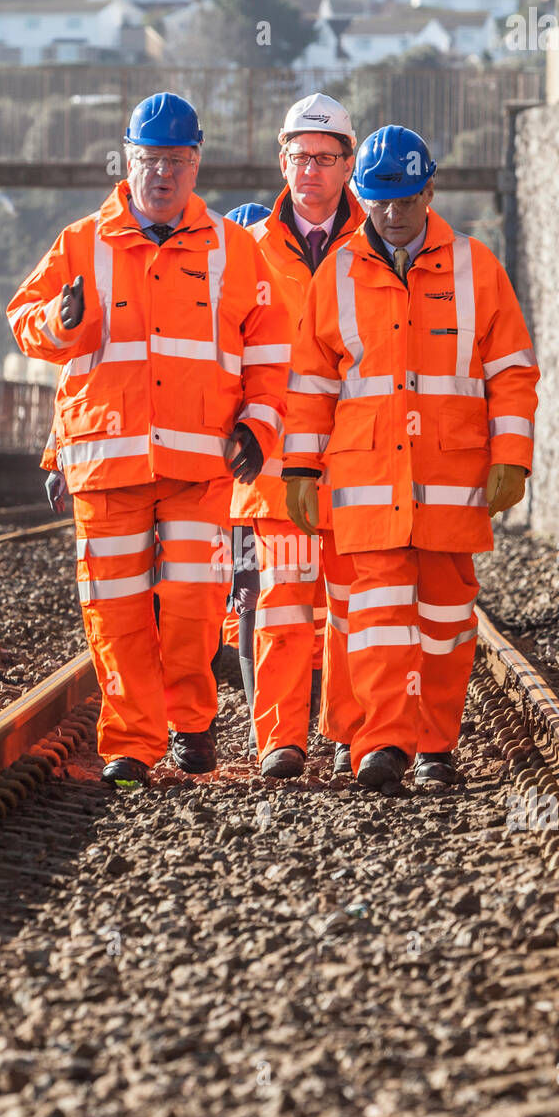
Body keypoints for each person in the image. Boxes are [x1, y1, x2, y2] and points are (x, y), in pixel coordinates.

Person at [8, 92, 290, 787]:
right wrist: (59, 320)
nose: (161, 174)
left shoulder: (232, 248)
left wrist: (258, 425)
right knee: (117, 611)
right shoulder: (81, 243)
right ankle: (131, 744)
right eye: (149, 160)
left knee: (194, 606)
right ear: (127, 161)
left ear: (196, 165)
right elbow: (28, 325)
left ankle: (192, 721)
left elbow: (271, 346)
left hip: (200, 465)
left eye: (176, 161)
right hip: (106, 464)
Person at [282, 125, 539, 790]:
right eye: (378, 202)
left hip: (451, 485)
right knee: (378, 619)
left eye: (404, 201)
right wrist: (301, 467)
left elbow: (511, 370)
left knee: (448, 623)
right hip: (368, 485)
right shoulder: (336, 273)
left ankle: (435, 745)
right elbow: (311, 384)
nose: (392, 216)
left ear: (431, 189)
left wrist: (512, 454)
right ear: (361, 197)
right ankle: (384, 743)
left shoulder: (477, 268)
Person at [229, 94, 367, 781]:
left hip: (360, 462)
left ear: (349, 163)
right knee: (281, 602)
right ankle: (280, 740)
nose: (308, 170)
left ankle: (348, 733)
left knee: (353, 607)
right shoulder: (244, 251)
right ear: (280, 159)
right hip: (277, 465)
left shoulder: (381, 245)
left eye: (324, 157)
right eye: (297, 156)